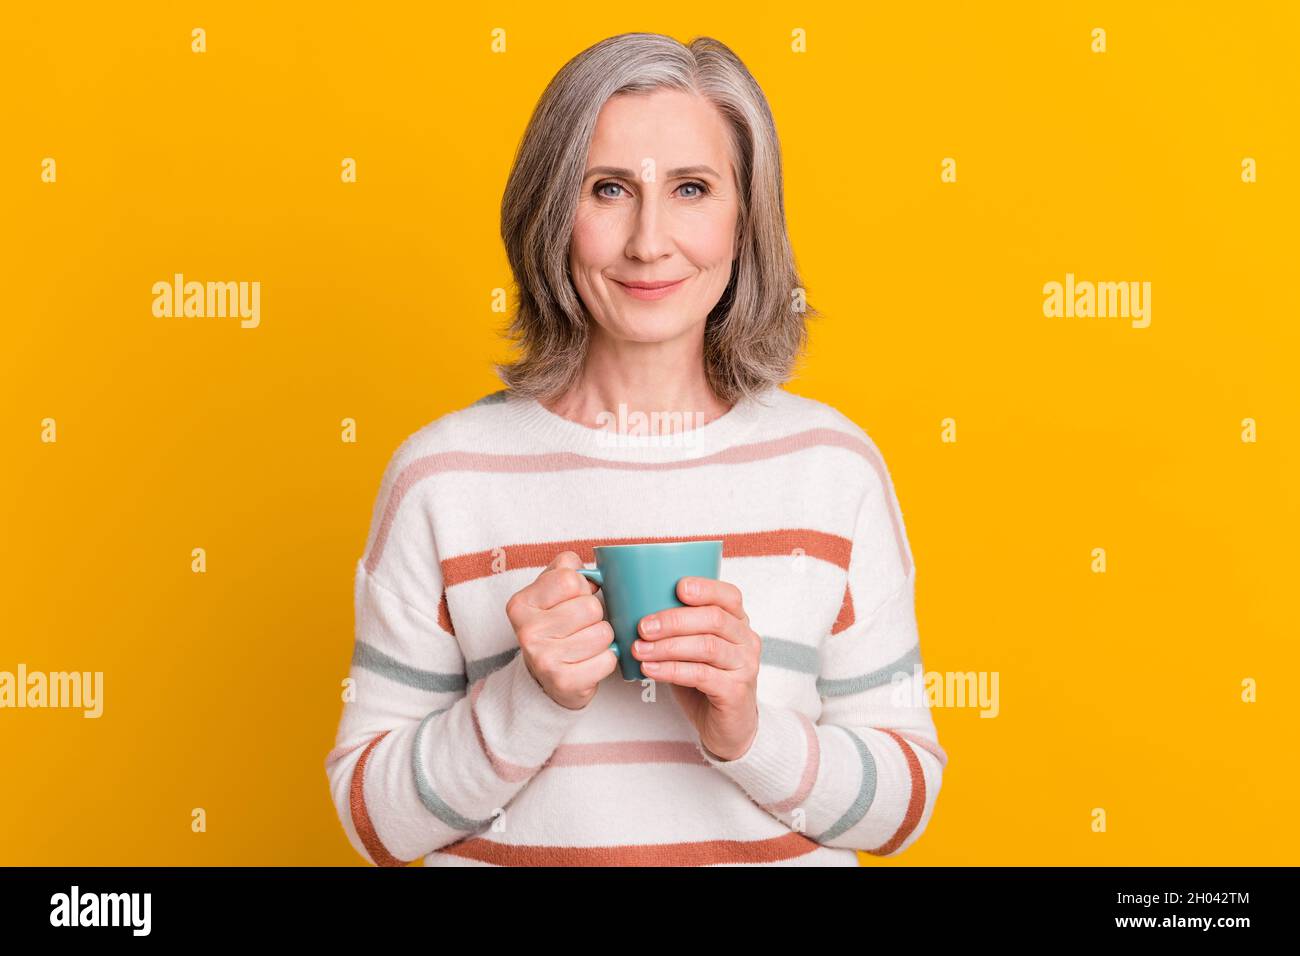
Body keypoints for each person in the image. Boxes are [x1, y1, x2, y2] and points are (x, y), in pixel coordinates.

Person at [324, 31, 947, 866]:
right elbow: (374, 825)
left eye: (692, 188)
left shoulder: (832, 468)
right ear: (551, 214)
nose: (650, 241)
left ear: (745, 217)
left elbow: (902, 809)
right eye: (608, 189)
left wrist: (750, 729)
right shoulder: (443, 477)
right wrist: (528, 696)